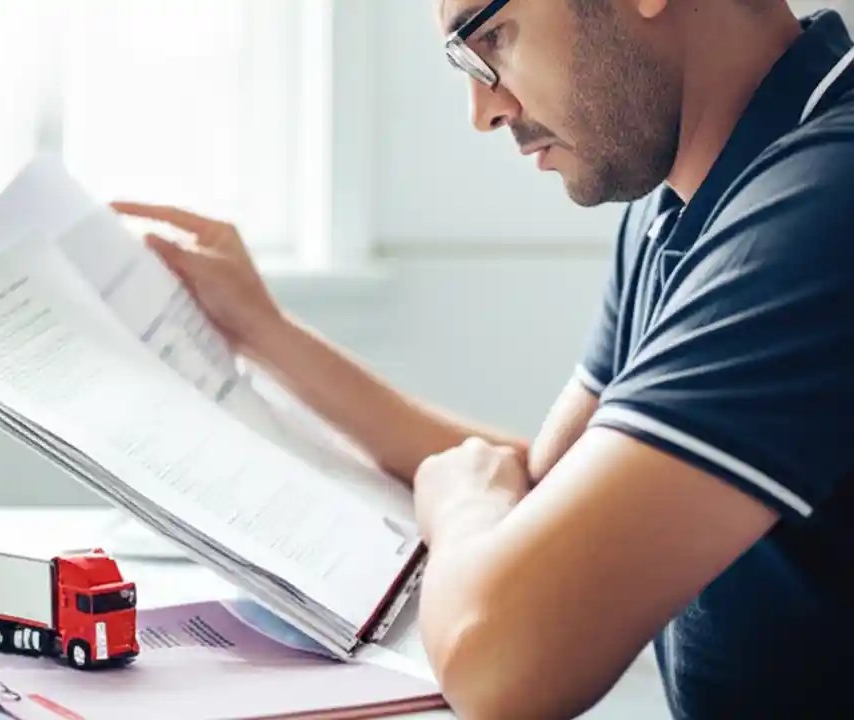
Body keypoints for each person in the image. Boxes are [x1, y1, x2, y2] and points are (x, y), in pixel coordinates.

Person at [113, 1, 854, 718]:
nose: (484, 110)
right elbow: (547, 492)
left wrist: (461, 503)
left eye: (492, 35)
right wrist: (262, 332)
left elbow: (498, 660)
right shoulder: (691, 200)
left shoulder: (822, 204)